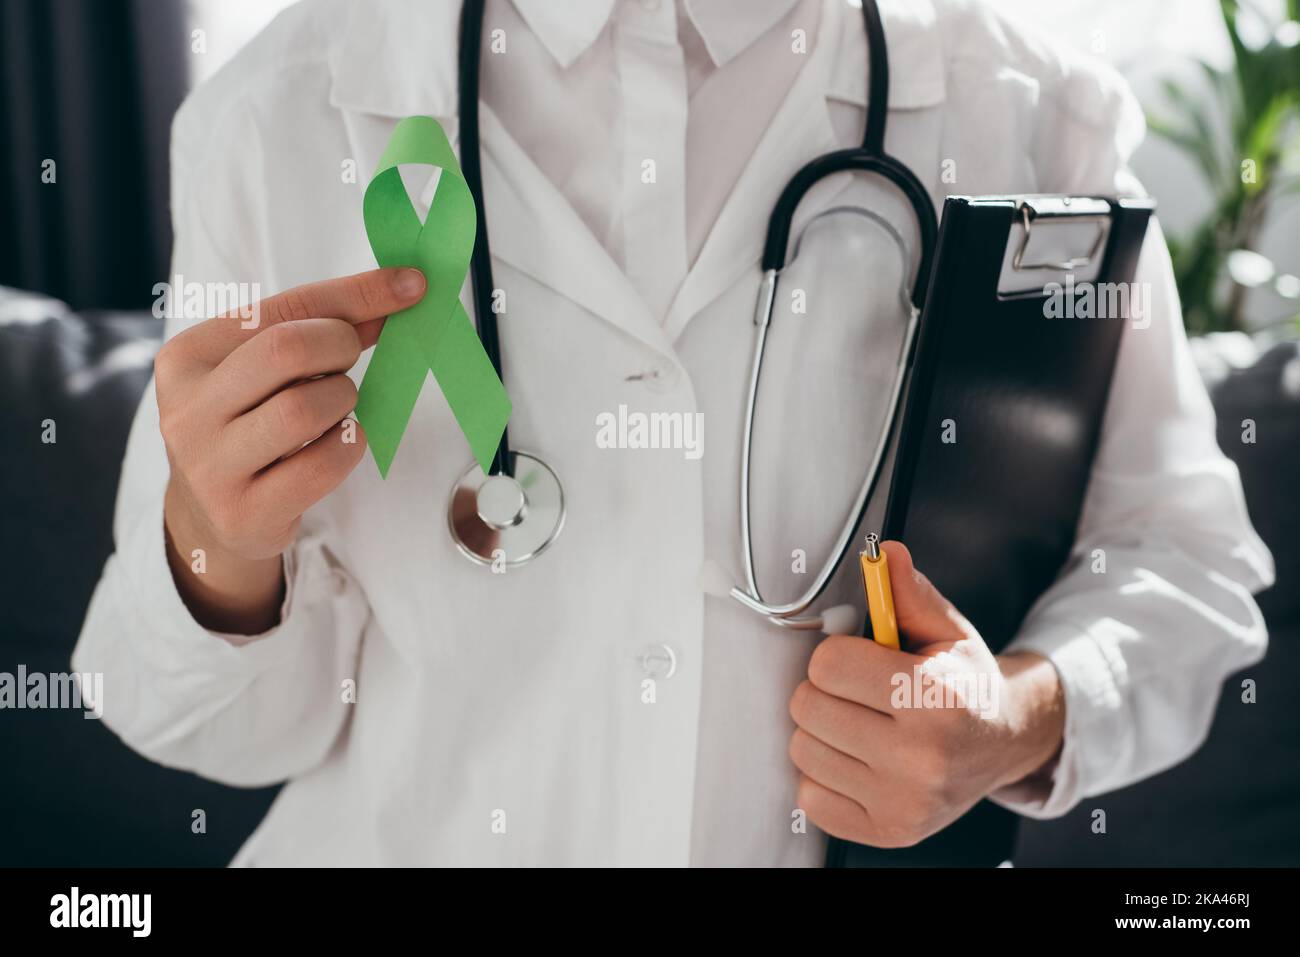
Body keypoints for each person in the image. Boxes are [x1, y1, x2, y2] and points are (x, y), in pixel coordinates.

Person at [73, 0, 1273, 866]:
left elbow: (1184, 562)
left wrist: (1018, 715)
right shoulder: (277, 114)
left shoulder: (1034, 113)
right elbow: (211, 727)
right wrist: (217, 546)